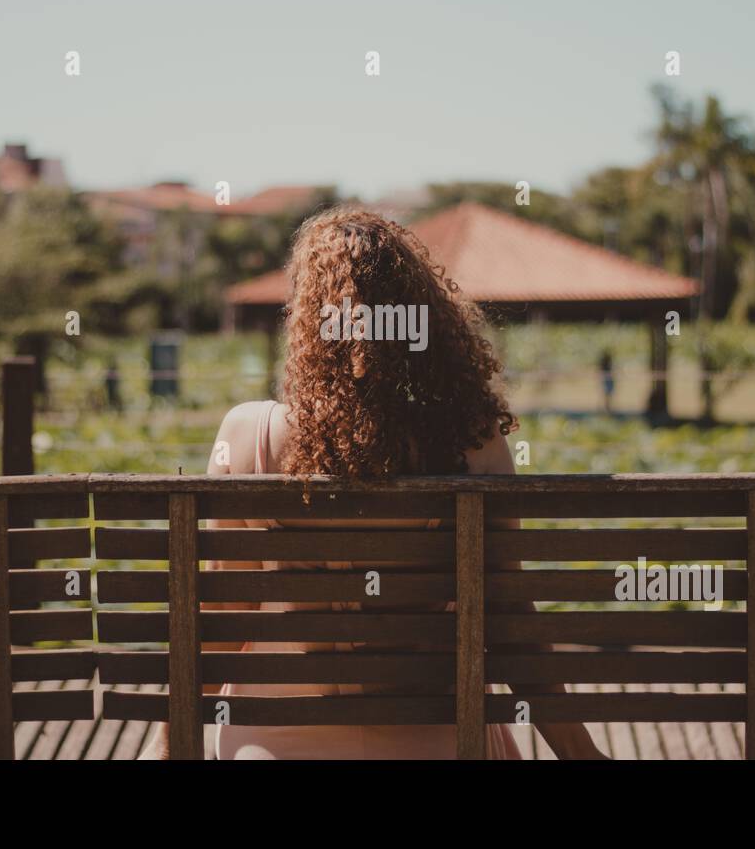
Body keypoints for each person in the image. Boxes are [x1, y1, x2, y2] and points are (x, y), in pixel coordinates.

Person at [147, 206, 608, 760]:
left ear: (309, 320)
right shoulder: (473, 441)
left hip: (274, 745)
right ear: (427, 318)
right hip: (437, 744)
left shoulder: (250, 434)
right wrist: (583, 755)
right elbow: (509, 623)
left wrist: (164, 747)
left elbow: (218, 623)